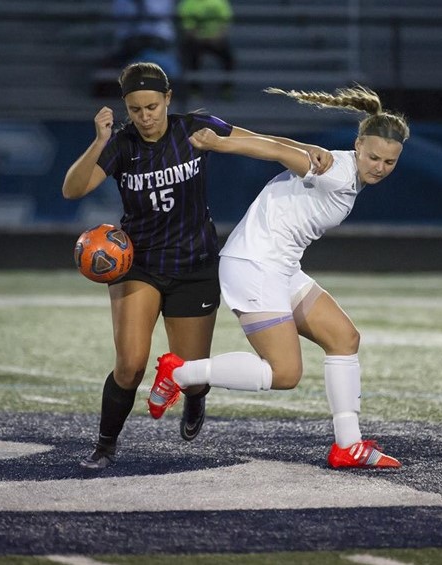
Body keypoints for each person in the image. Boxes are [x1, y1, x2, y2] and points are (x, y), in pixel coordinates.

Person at [61, 61, 333, 469]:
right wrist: (99, 141)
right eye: (135, 110)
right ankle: (105, 444)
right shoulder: (121, 145)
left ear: (168, 99)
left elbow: (256, 140)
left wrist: (302, 149)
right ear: (125, 109)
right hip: (140, 266)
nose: (145, 116)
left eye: (152, 106)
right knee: (131, 363)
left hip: (195, 264)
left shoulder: (195, 128)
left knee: (192, 371)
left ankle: (195, 398)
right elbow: (72, 189)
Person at [148, 85, 408, 469]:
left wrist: (299, 147)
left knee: (344, 337)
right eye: (373, 157)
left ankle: (347, 446)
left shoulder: (341, 166)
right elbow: (275, 152)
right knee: (284, 373)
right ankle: (179, 372)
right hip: (254, 265)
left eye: (390, 162)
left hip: (278, 265)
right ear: (358, 145)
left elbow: (283, 145)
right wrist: (220, 145)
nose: (380, 167)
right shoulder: (337, 171)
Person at [177, 0, 235, 99]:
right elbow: (188, 30)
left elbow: (225, 25)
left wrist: (217, 37)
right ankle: (194, 90)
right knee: (191, 56)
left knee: (229, 58)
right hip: (196, 40)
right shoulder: (187, 4)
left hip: (216, 40)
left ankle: (227, 88)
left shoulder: (219, 2)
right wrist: (202, 39)